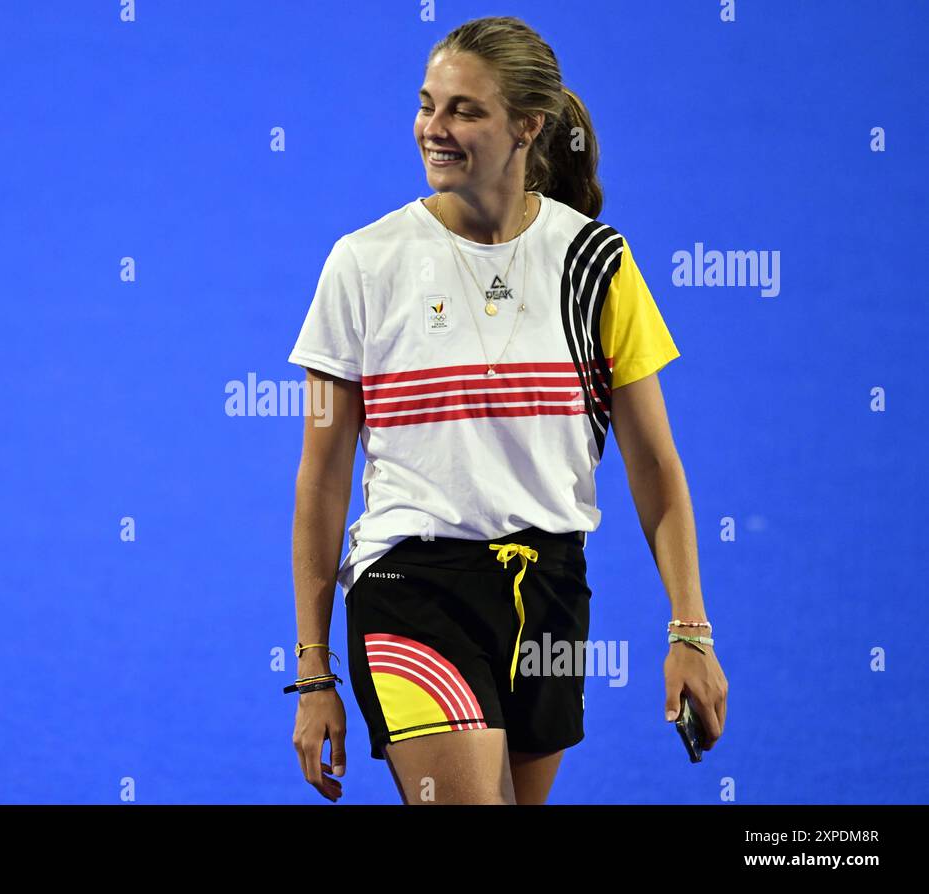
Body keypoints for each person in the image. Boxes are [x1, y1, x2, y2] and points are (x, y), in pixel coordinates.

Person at [287, 16, 728, 804]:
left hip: (551, 595)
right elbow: (321, 481)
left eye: (464, 110)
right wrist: (313, 671)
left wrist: (689, 627)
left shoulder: (599, 266)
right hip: (410, 588)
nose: (434, 128)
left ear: (529, 126)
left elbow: (655, 465)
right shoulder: (359, 265)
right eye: (427, 105)